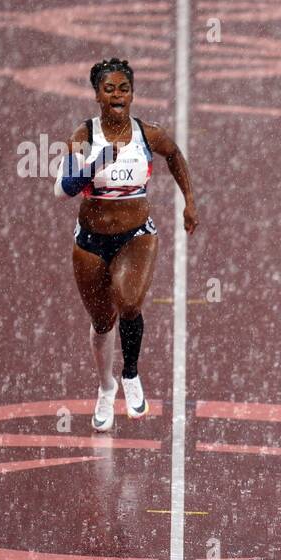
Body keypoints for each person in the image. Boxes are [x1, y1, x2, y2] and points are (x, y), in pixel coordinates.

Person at [54, 57, 197, 431]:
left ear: (131, 93)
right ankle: (106, 386)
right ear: (97, 95)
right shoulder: (83, 135)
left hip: (136, 236)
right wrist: (97, 162)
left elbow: (175, 156)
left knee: (130, 301)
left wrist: (189, 203)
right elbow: (63, 189)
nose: (118, 95)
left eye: (124, 88)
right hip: (90, 241)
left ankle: (131, 374)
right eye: (109, 89)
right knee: (102, 323)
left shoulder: (149, 134)